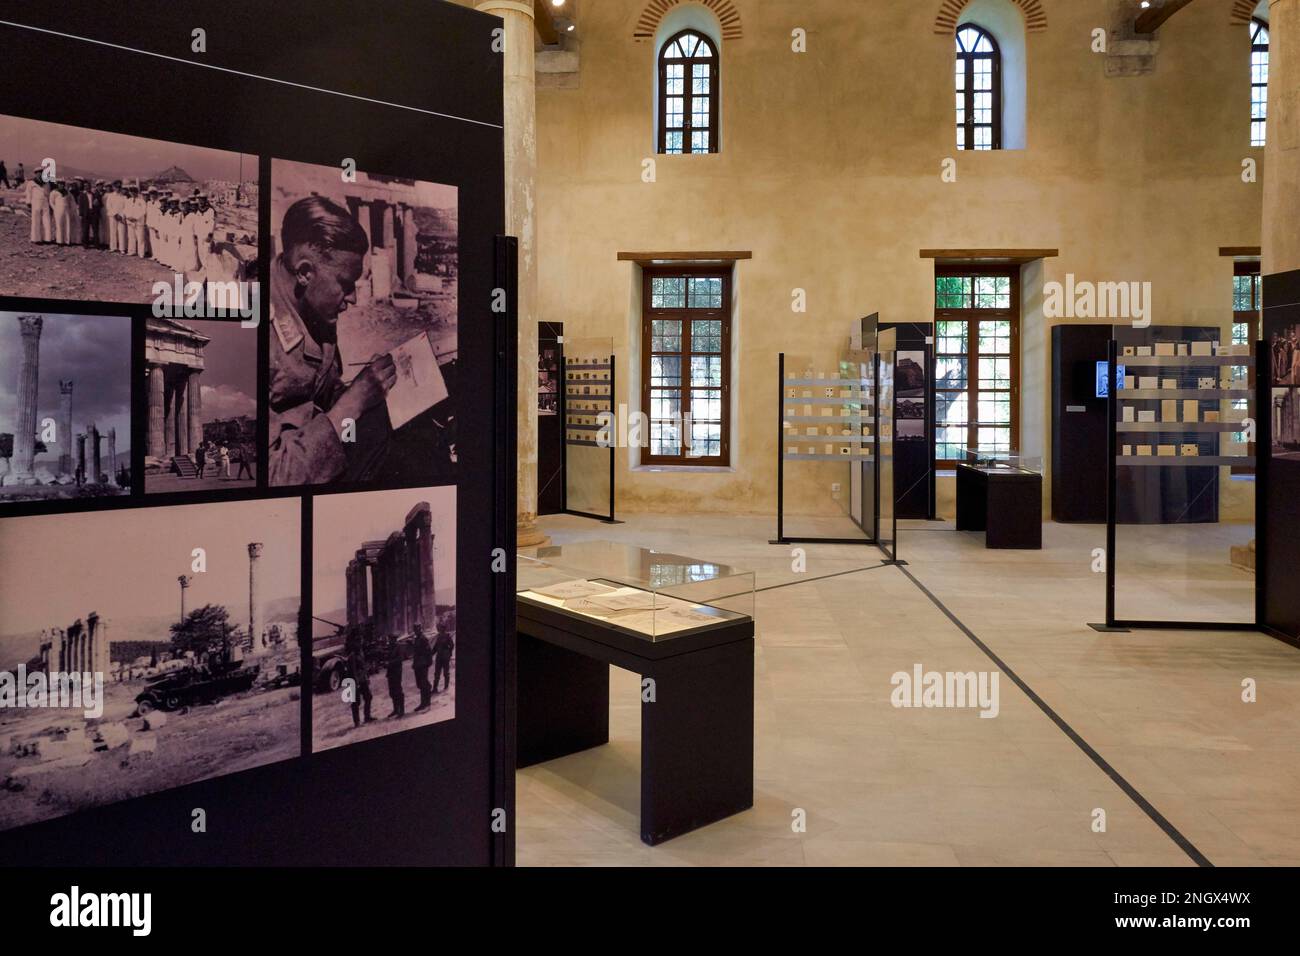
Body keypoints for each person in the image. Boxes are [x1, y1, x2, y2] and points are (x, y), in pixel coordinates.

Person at [268, 195, 396, 486]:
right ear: (304, 273)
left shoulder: (316, 307)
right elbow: (274, 477)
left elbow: (324, 389)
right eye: (345, 285)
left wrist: (362, 387)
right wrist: (351, 404)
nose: (352, 298)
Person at [344, 628, 372, 728]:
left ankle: (367, 717)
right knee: (355, 701)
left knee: (368, 697)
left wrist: (367, 677)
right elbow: (353, 670)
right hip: (353, 681)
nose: (361, 642)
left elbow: (363, 666)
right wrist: (356, 682)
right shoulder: (352, 655)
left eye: (361, 640)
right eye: (359, 641)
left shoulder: (360, 652)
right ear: (355, 642)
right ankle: (357, 722)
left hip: (362, 679)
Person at [411, 624, 433, 713]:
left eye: (417, 629)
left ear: (420, 629)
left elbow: (429, 651)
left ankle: (427, 703)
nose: (416, 630)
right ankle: (423, 703)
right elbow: (416, 653)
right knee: (420, 684)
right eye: (415, 629)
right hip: (417, 665)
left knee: (424, 684)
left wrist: (429, 662)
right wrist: (414, 663)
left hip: (423, 664)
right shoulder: (416, 639)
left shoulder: (423, 639)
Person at [384, 634, 405, 719]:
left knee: (398, 691)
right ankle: (395, 709)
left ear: (394, 639)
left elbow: (400, 659)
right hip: (390, 672)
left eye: (391, 639)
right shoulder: (390, 647)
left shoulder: (398, 647)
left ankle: (402, 710)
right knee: (392, 692)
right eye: (389, 639)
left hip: (396, 672)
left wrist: (389, 663)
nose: (389, 641)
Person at [25, 174, 47, 244]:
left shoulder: (46, 183)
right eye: (38, 173)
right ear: (35, 174)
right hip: (35, 202)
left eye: (41, 173)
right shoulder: (31, 183)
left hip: (45, 202)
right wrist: (28, 202)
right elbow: (28, 193)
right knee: (35, 221)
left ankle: (47, 238)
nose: (40, 175)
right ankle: (35, 239)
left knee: (46, 221)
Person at [432, 627, 454, 694]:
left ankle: (446, 687)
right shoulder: (438, 637)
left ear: (444, 629)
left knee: (446, 672)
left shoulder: (447, 636)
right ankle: (435, 688)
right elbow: (435, 647)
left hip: (445, 657)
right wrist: (431, 654)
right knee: (436, 673)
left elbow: (452, 645)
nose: (440, 630)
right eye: (440, 629)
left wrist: (449, 653)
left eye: (441, 629)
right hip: (439, 657)